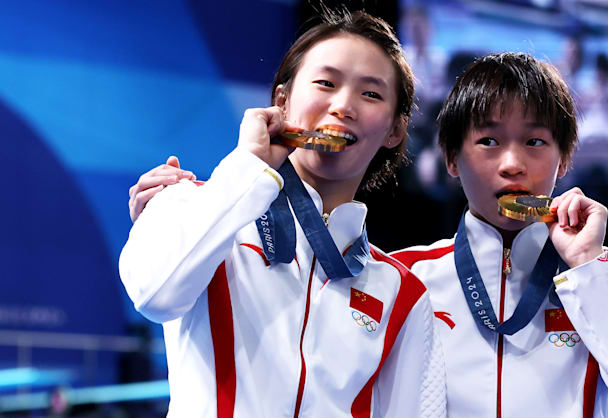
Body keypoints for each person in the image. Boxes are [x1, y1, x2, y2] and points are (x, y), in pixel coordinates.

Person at [130, 52, 608, 417]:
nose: (513, 165)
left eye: (536, 143)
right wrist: (189, 211)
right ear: (450, 159)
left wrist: (588, 271)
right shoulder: (407, 279)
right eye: (488, 142)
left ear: (565, 157)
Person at [120, 9, 445, 418]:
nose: (343, 106)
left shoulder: (403, 295)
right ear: (282, 101)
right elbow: (155, 296)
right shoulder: (188, 202)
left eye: (371, 94)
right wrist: (247, 166)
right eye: (326, 83)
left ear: (395, 130)